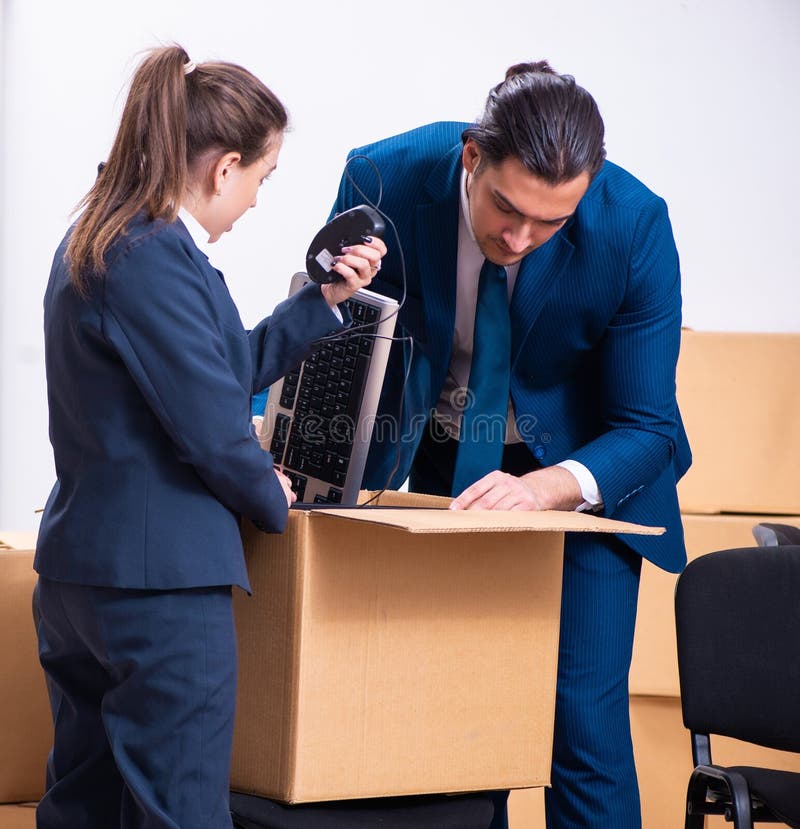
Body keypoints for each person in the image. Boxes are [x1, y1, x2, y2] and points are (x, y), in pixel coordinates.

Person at [330, 61, 691, 828]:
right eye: (505, 208)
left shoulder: (631, 225)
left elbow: (648, 426)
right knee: (433, 703)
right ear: (472, 156)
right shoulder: (383, 178)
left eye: (550, 223)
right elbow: (336, 336)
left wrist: (543, 488)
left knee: (580, 721)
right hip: (434, 450)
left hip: (583, 466)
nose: (519, 238)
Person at [34, 45, 384, 829]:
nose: (257, 201)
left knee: (84, 806)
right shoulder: (151, 255)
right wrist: (273, 496)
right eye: (261, 179)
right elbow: (216, 427)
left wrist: (324, 298)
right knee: (182, 811)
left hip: (84, 577)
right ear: (224, 168)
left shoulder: (108, 237)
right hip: (156, 589)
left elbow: (213, 372)